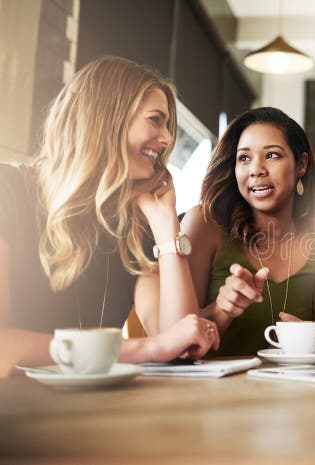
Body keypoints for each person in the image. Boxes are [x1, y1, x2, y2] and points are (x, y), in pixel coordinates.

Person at [0, 56, 220, 377]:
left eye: (168, 126)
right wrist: (148, 348)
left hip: (96, 413)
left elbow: (181, 345)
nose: (168, 139)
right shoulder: (7, 192)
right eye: (156, 120)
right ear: (106, 119)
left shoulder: (129, 226)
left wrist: (166, 225)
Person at [174, 107, 315, 357]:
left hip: (299, 390)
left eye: (272, 155)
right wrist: (221, 308)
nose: (256, 169)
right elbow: (175, 337)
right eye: (244, 158)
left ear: (301, 164)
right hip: (215, 392)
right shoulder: (204, 224)